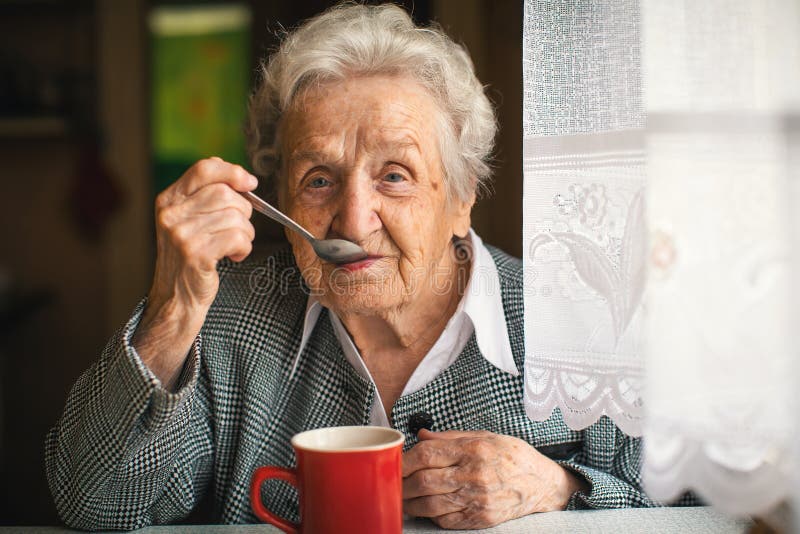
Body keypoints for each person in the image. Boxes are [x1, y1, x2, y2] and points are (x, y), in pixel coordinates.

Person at [45, 3, 689, 531]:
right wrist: (174, 306)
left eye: (395, 175)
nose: (354, 221)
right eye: (319, 179)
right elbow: (95, 504)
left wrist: (563, 488)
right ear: (280, 197)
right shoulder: (224, 321)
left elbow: (720, 509)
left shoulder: (584, 326)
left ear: (461, 197)